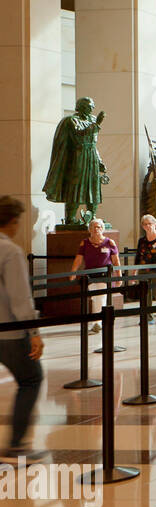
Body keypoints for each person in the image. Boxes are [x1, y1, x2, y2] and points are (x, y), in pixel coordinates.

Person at [0, 196, 44, 460]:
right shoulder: (10, 251)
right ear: (13, 221)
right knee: (31, 379)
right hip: (10, 333)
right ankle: (17, 444)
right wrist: (34, 333)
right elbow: (20, 298)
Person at [69, 217, 120, 335]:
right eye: (94, 227)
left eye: (99, 227)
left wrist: (119, 276)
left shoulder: (109, 242)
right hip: (90, 275)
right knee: (93, 297)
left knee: (101, 297)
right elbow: (79, 259)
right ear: (90, 229)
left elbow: (116, 261)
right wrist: (73, 272)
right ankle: (98, 321)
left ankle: (97, 322)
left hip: (104, 275)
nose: (96, 229)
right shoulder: (85, 243)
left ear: (103, 229)